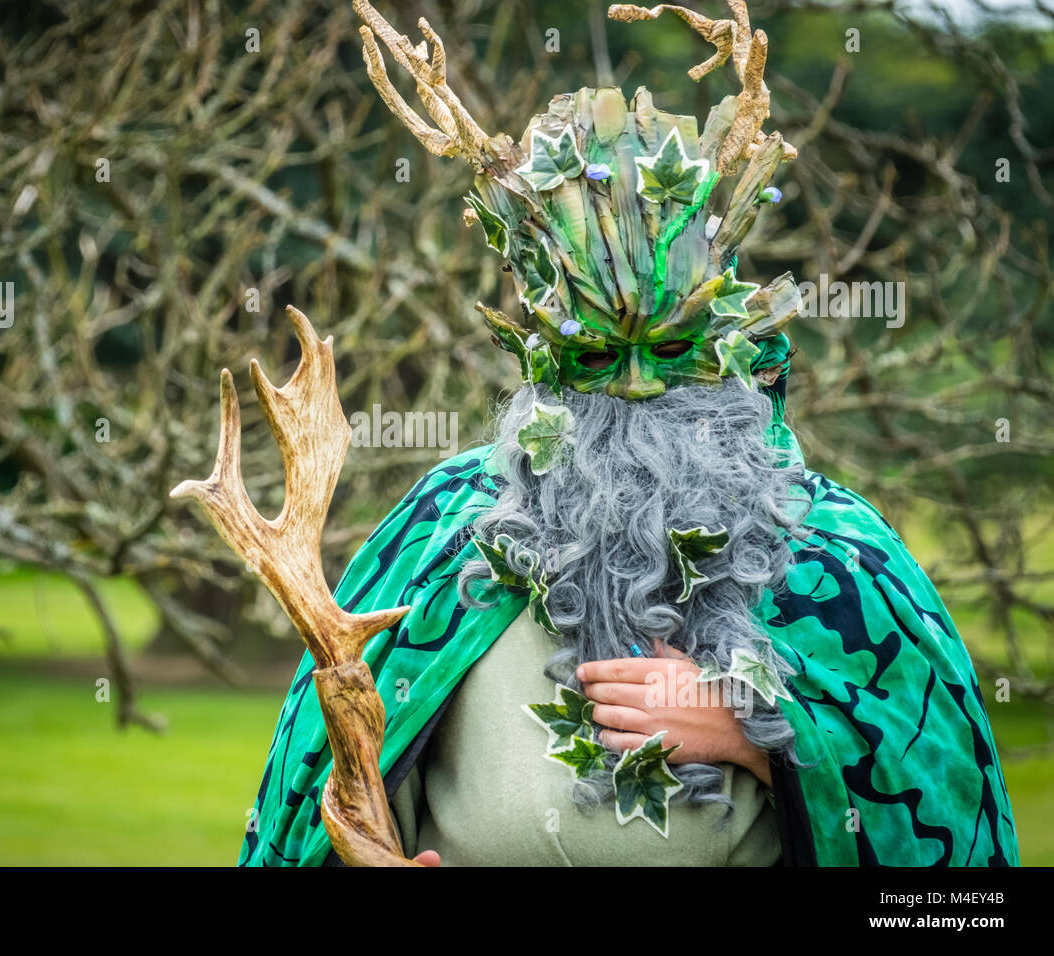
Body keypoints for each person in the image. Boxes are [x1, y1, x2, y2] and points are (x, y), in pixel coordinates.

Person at [235, 0, 1019, 866]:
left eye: (671, 350)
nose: (636, 392)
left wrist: (758, 734)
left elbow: (948, 847)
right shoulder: (444, 530)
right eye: (596, 359)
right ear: (541, 362)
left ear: (731, 348)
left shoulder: (840, 557)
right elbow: (311, 806)